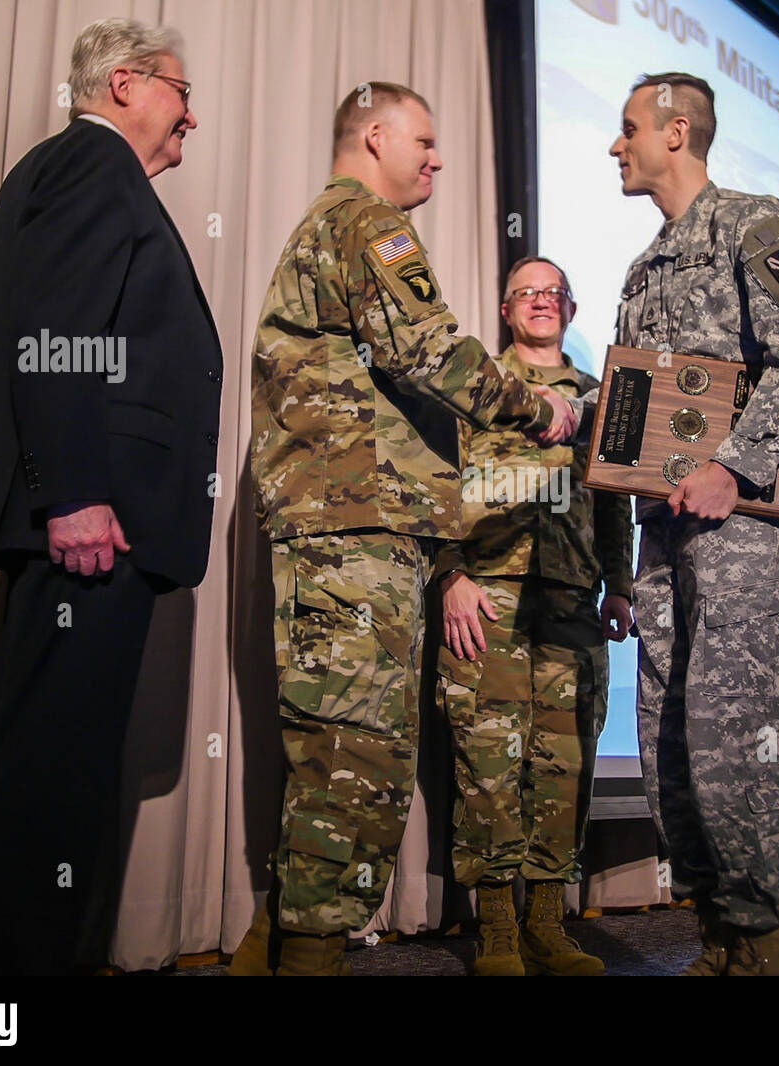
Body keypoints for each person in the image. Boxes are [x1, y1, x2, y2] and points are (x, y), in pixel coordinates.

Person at [237, 82, 578, 977]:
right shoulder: (368, 226)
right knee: (359, 757)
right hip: (351, 526)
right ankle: (308, 958)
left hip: (351, 522)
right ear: (375, 135)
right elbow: (430, 351)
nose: (434, 160)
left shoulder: (332, 228)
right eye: (422, 142)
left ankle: (274, 948)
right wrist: (534, 408)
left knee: (338, 750)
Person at [0, 17, 221, 975]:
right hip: (89, 526)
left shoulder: (92, 175)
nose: (193, 115)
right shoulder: (89, 167)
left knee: (61, 774)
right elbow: (52, 338)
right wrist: (72, 496)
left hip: (103, 526)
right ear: (127, 86)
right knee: (45, 780)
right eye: (183, 93)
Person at [605, 72, 779, 975]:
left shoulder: (759, 224)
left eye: (627, 129)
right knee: (667, 732)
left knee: (731, 728)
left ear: (676, 132)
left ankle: (762, 947)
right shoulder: (643, 268)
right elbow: (643, 403)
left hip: (739, 521)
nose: (615, 145)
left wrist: (731, 468)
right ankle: (720, 937)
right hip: (663, 528)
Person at [433, 257, 634, 976]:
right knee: (488, 760)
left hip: (574, 599)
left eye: (553, 293)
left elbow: (615, 498)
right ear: (507, 309)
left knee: (564, 764)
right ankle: (495, 933)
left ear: (570, 311)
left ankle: (547, 924)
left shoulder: (599, 398)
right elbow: (434, 482)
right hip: (488, 593)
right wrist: (448, 573)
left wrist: (621, 586)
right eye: (527, 293)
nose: (541, 302)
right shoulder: (475, 385)